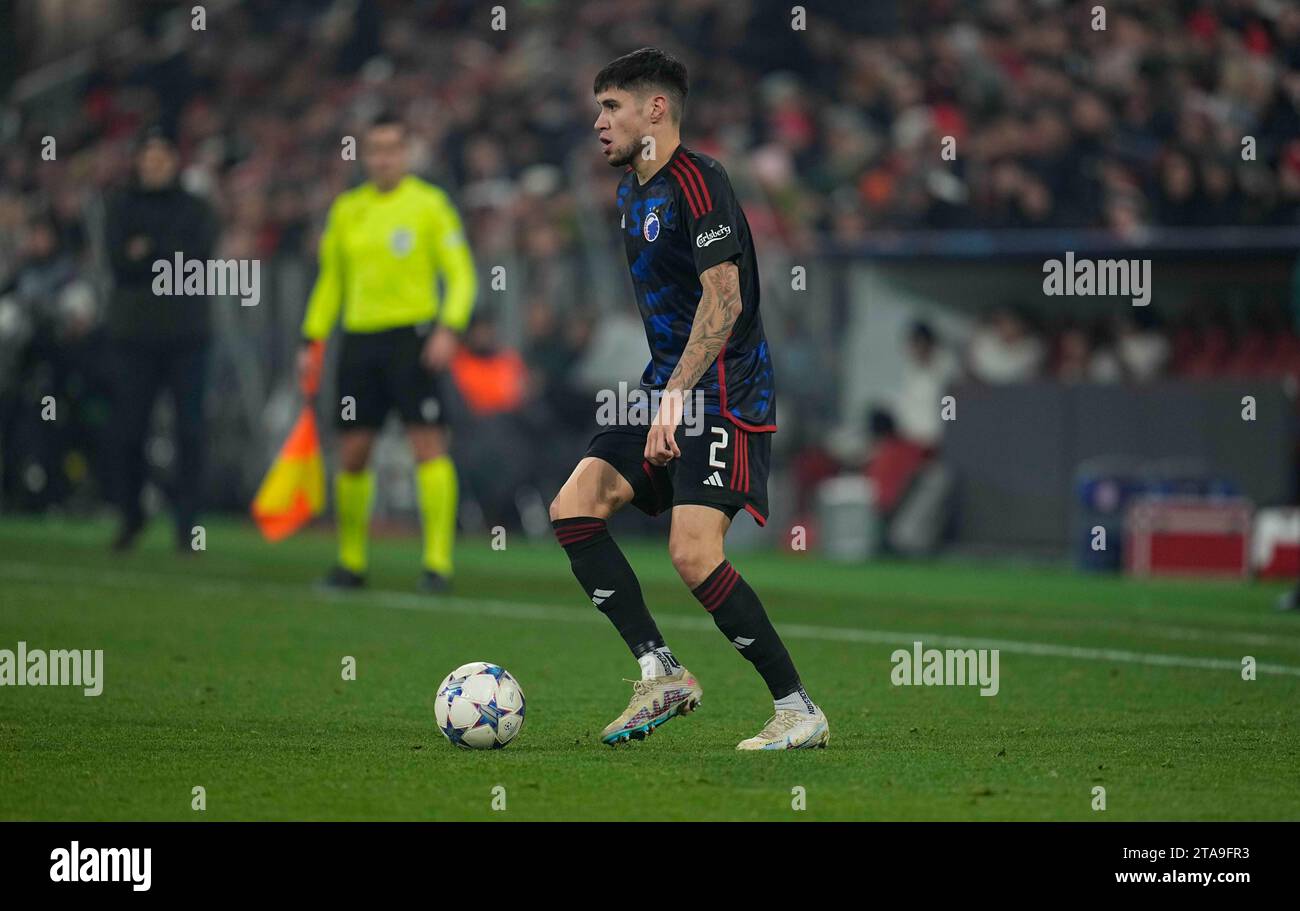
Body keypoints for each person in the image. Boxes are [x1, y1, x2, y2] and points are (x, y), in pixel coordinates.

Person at [549, 48, 829, 750]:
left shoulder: (700, 181)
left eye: (611, 106)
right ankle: (661, 671)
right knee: (574, 508)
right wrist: (666, 394)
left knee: (693, 552)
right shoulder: (630, 194)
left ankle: (798, 709)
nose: (598, 122)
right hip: (666, 390)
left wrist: (676, 397)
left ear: (656, 109)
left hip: (726, 395)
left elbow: (723, 299)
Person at [297, 113, 477, 593]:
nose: (383, 158)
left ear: (406, 153)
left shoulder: (430, 205)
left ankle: (437, 565)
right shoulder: (347, 210)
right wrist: (311, 339)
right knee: (353, 452)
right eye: (375, 149)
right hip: (359, 342)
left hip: (413, 339)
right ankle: (350, 563)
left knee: (428, 445)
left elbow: (461, 273)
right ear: (365, 156)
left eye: (392, 148)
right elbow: (331, 283)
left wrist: (449, 328)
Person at [103, 129, 217, 552]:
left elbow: (195, 262)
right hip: (134, 336)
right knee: (129, 430)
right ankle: (131, 517)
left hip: (187, 336)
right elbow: (119, 262)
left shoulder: (198, 208)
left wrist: (147, 251)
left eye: (161, 159)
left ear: (175, 161)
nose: (154, 168)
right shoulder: (120, 206)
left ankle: (188, 527)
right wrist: (169, 251)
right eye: (147, 160)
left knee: (191, 431)